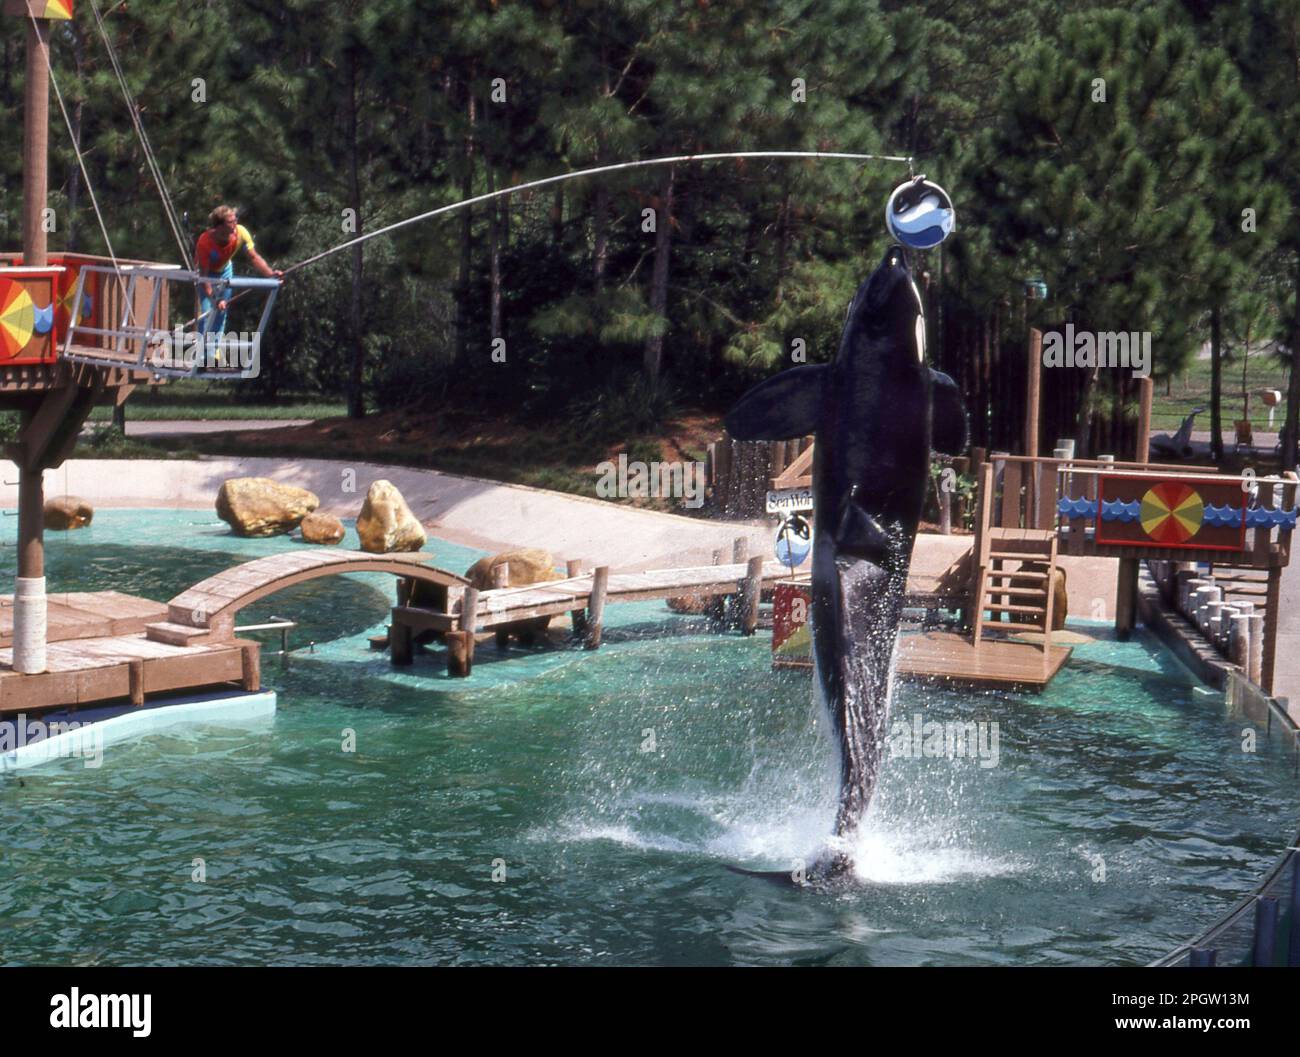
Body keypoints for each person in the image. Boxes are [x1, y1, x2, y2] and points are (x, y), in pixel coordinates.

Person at [194, 205, 282, 339]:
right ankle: (202, 351)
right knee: (206, 313)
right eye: (231, 222)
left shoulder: (240, 232)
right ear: (219, 226)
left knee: (221, 311)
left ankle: (214, 352)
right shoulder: (205, 242)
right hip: (207, 276)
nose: (235, 223)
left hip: (225, 271)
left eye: (236, 219)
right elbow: (204, 278)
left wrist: (270, 274)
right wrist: (215, 299)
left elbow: (254, 257)